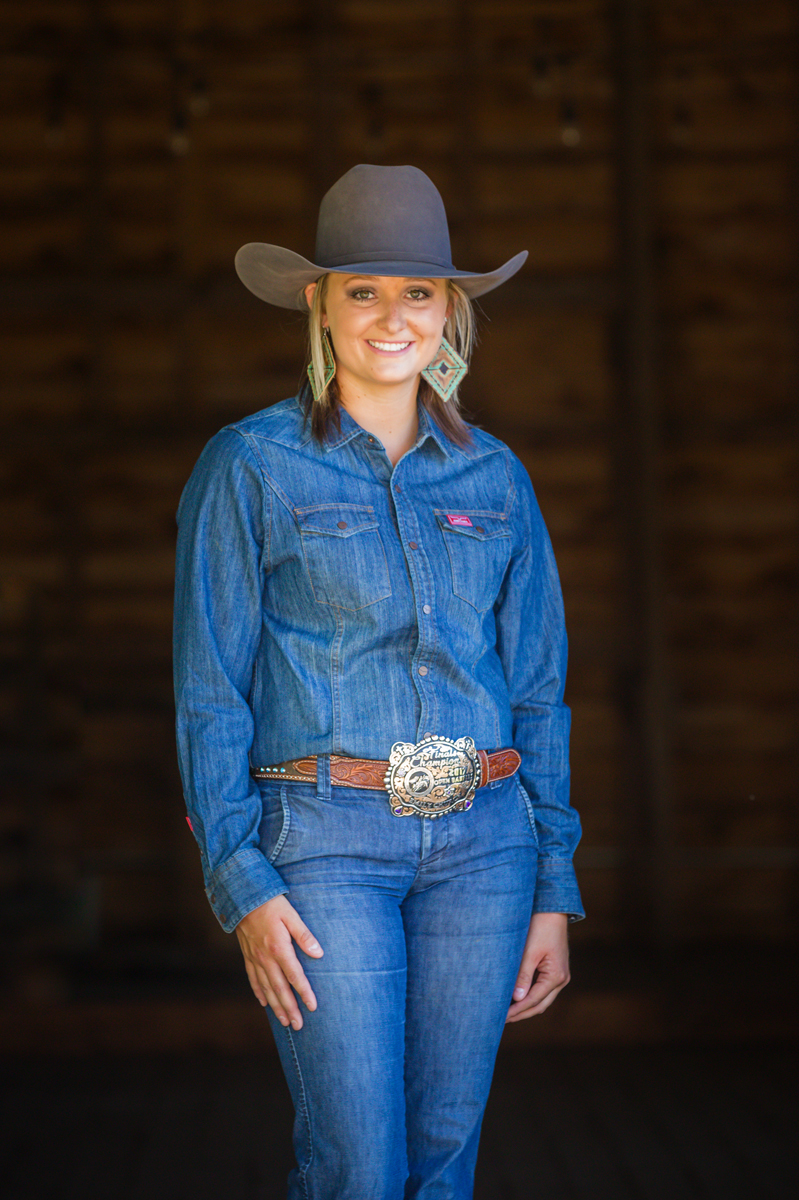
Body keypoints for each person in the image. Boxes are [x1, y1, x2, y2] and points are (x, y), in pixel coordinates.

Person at [173, 163, 584, 1200]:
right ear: (319, 304)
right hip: (322, 847)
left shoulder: (494, 476)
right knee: (357, 1164)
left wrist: (551, 887)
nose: (390, 316)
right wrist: (241, 883)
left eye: (417, 291)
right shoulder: (251, 466)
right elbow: (208, 689)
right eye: (362, 289)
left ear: (450, 309)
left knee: (443, 1165)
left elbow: (538, 690)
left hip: (485, 848)